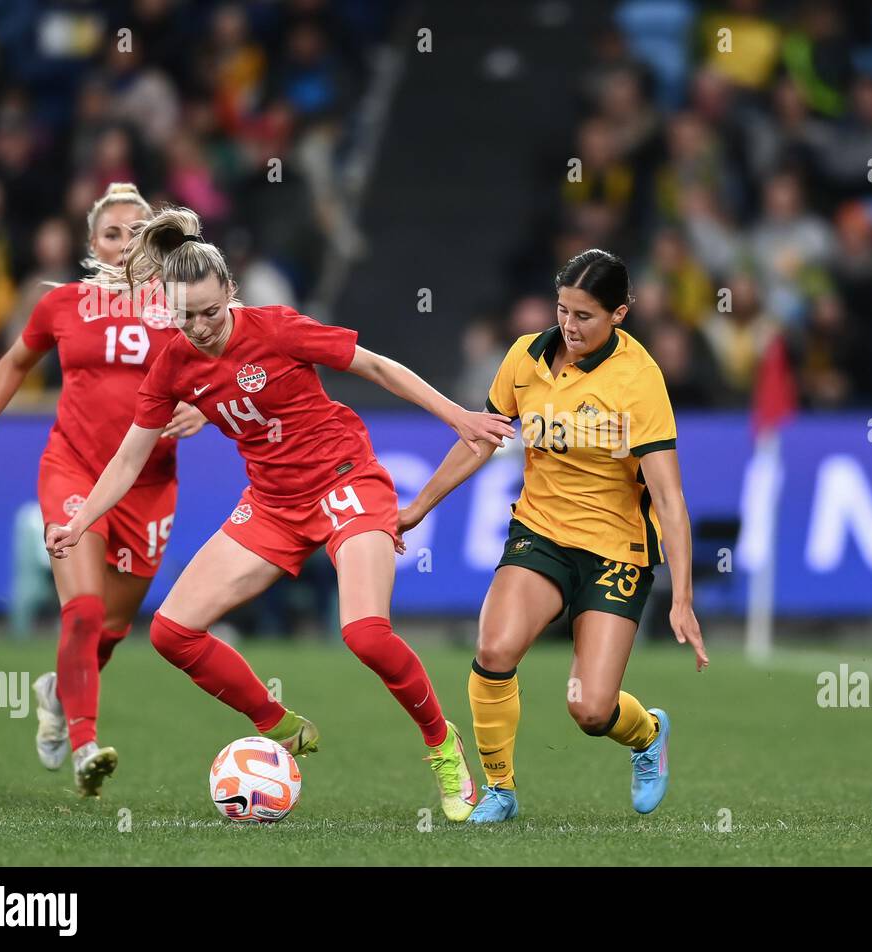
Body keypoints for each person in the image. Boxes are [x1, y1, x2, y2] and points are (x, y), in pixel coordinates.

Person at [45, 207, 514, 818]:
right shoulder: (173, 364)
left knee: (365, 635)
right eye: (187, 317)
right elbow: (130, 457)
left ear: (231, 293)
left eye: (212, 311)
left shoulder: (278, 328)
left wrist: (461, 416)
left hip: (344, 480)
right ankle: (276, 721)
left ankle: (443, 747)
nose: (203, 327)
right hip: (272, 502)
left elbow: (376, 366)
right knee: (171, 632)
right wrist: (79, 521)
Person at [398, 249, 708, 823]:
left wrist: (683, 598)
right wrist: (418, 506)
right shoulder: (525, 357)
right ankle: (500, 790)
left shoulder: (640, 381)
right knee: (494, 650)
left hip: (617, 551)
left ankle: (647, 736)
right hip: (539, 533)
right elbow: (481, 439)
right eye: (563, 309)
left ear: (620, 313)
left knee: (591, 711)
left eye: (585, 315)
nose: (569, 325)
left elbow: (668, 497)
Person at [0, 183, 206, 796]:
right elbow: (14, 361)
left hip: (149, 485)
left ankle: (57, 694)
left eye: (136, 233)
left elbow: (227, 369)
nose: (123, 244)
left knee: (110, 629)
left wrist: (203, 410)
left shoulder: (184, 306)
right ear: (92, 244)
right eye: (111, 233)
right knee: (83, 609)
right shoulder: (62, 305)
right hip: (74, 470)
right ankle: (86, 744)